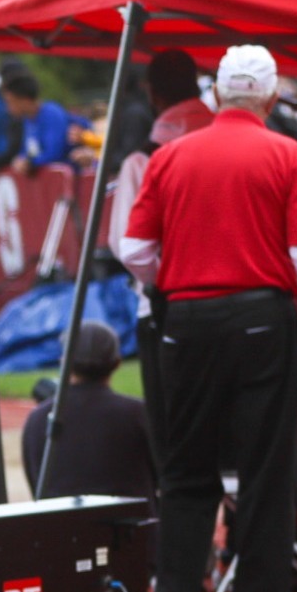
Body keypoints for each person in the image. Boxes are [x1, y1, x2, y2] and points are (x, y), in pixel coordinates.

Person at [119, 45, 297, 592]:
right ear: (272, 99)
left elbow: (134, 248)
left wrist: (172, 283)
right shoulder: (290, 155)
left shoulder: (170, 159)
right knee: (266, 476)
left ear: (217, 96)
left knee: (186, 471)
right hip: (260, 320)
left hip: (187, 324)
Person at [106, 49, 213, 463]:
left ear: (152, 94)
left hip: (168, 311)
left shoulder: (142, 162)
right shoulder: (242, 149)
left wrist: (163, 281)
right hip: (241, 307)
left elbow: (127, 246)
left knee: (178, 445)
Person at [20, 320, 155, 501]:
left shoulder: (38, 418)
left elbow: (36, 482)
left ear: (64, 362)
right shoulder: (139, 413)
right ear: (117, 363)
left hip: (59, 526)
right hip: (128, 526)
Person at [2, 75, 92, 174]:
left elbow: (54, 153)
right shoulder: (28, 119)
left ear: (25, 100)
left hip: (72, 182)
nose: (7, 108)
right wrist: (20, 159)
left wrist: (30, 162)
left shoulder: (52, 114)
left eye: (9, 102)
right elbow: (27, 151)